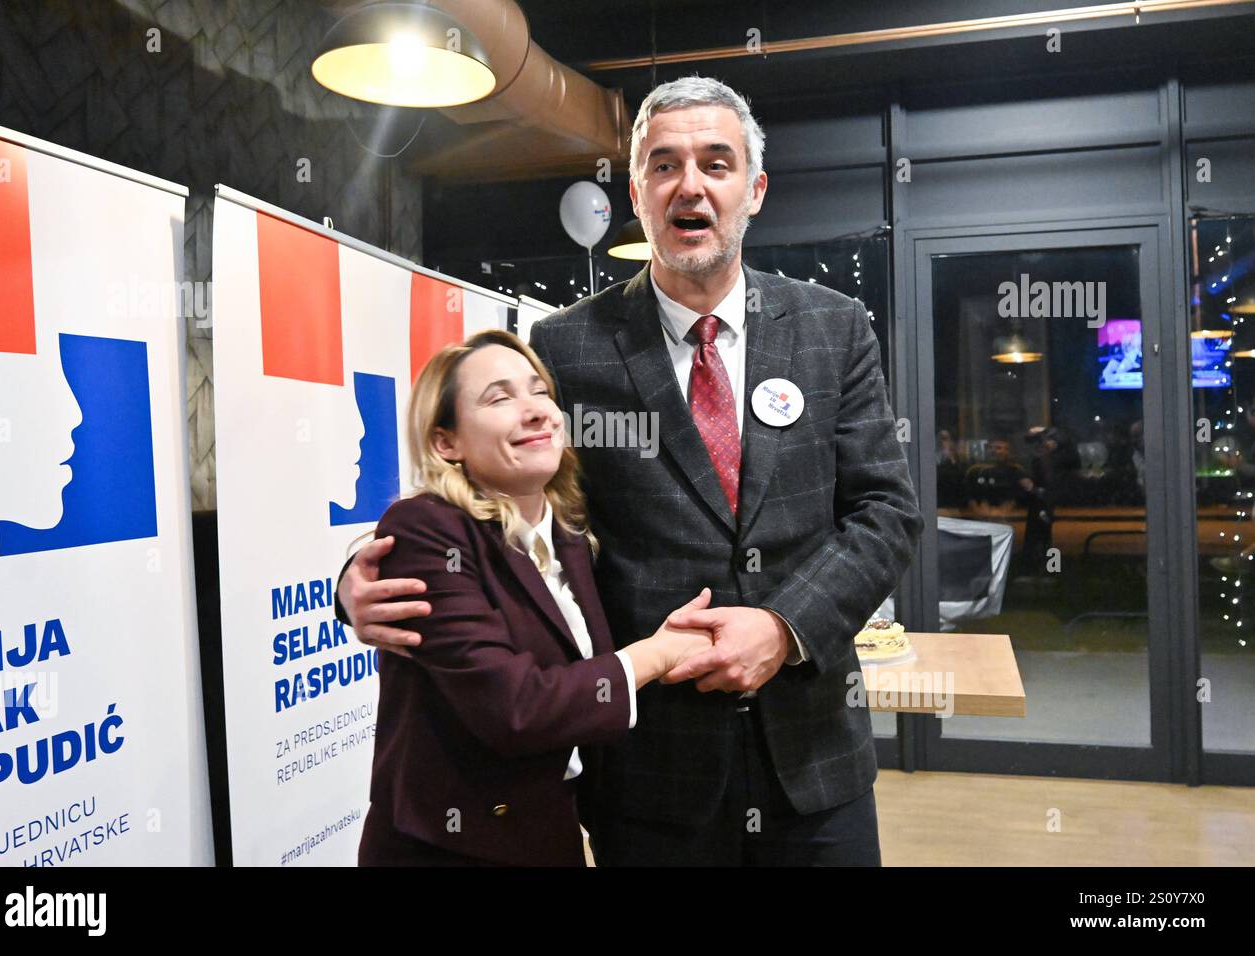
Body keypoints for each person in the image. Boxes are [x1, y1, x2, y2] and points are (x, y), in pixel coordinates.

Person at [339, 76, 924, 866]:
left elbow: (885, 512)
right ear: (639, 197)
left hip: (813, 760)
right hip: (650, 772)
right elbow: (488, 482)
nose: (691, 185)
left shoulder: (833, 327)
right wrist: (360, 573)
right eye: (663, 164)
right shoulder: (568, 344)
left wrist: (784, 630)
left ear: (754, 191)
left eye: (717, 164)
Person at [357, 329, 715, 866]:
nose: (535, 412)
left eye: (539, 392)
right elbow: (515, 709)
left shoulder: (567, 531)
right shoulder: (425, 530)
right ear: (445, 442)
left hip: (549, 829)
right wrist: (655, 655)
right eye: (499, 398)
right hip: (451, 847)